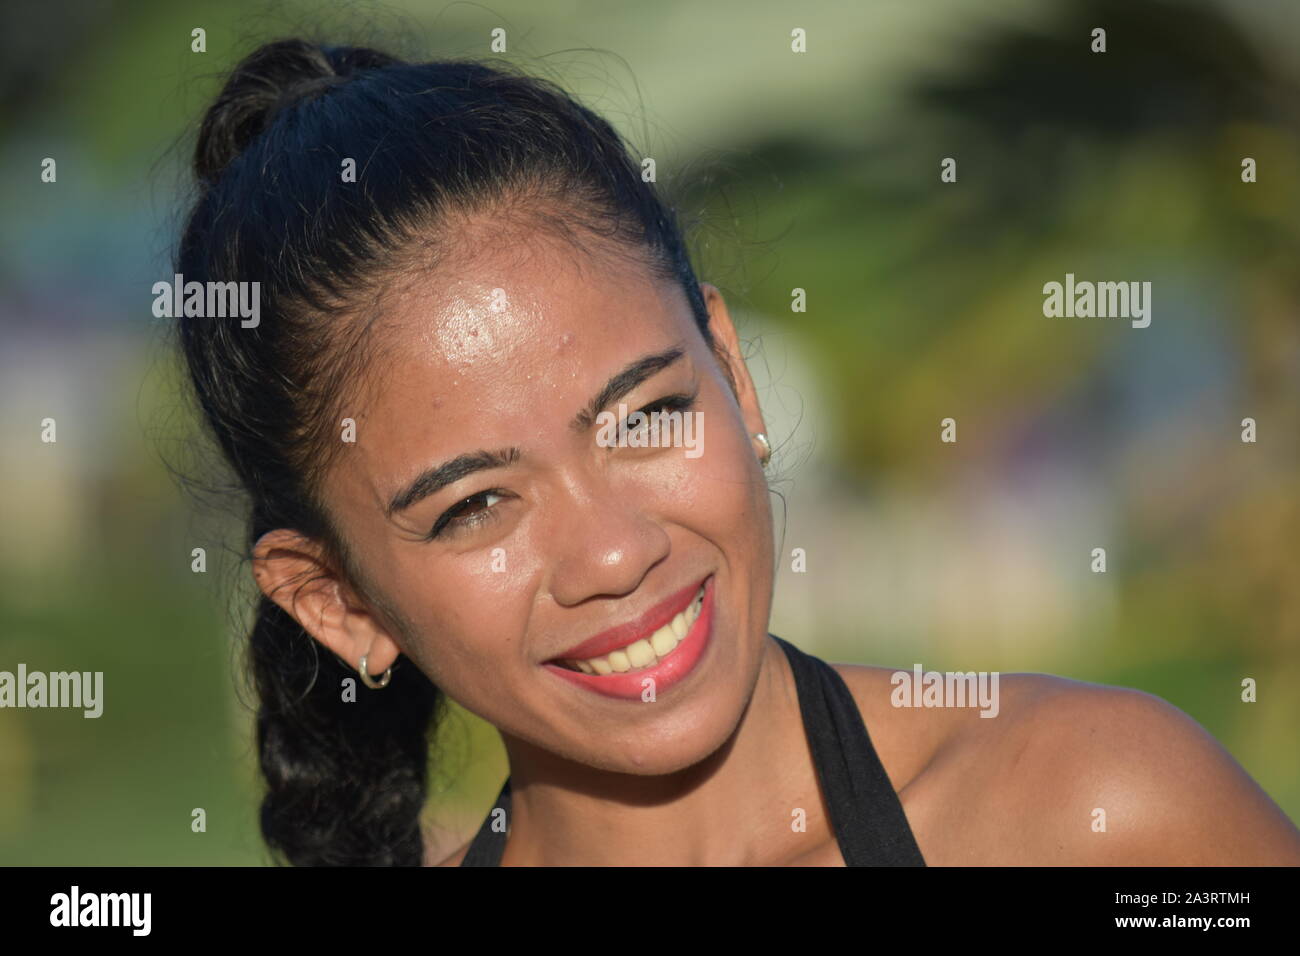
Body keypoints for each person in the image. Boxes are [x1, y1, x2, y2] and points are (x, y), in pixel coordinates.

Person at [173, 38, 1300, 866]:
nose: (612, 552)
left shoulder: (1099, 816)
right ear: (334, 602)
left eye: (645, 414)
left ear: (732, 367)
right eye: (473, 505)